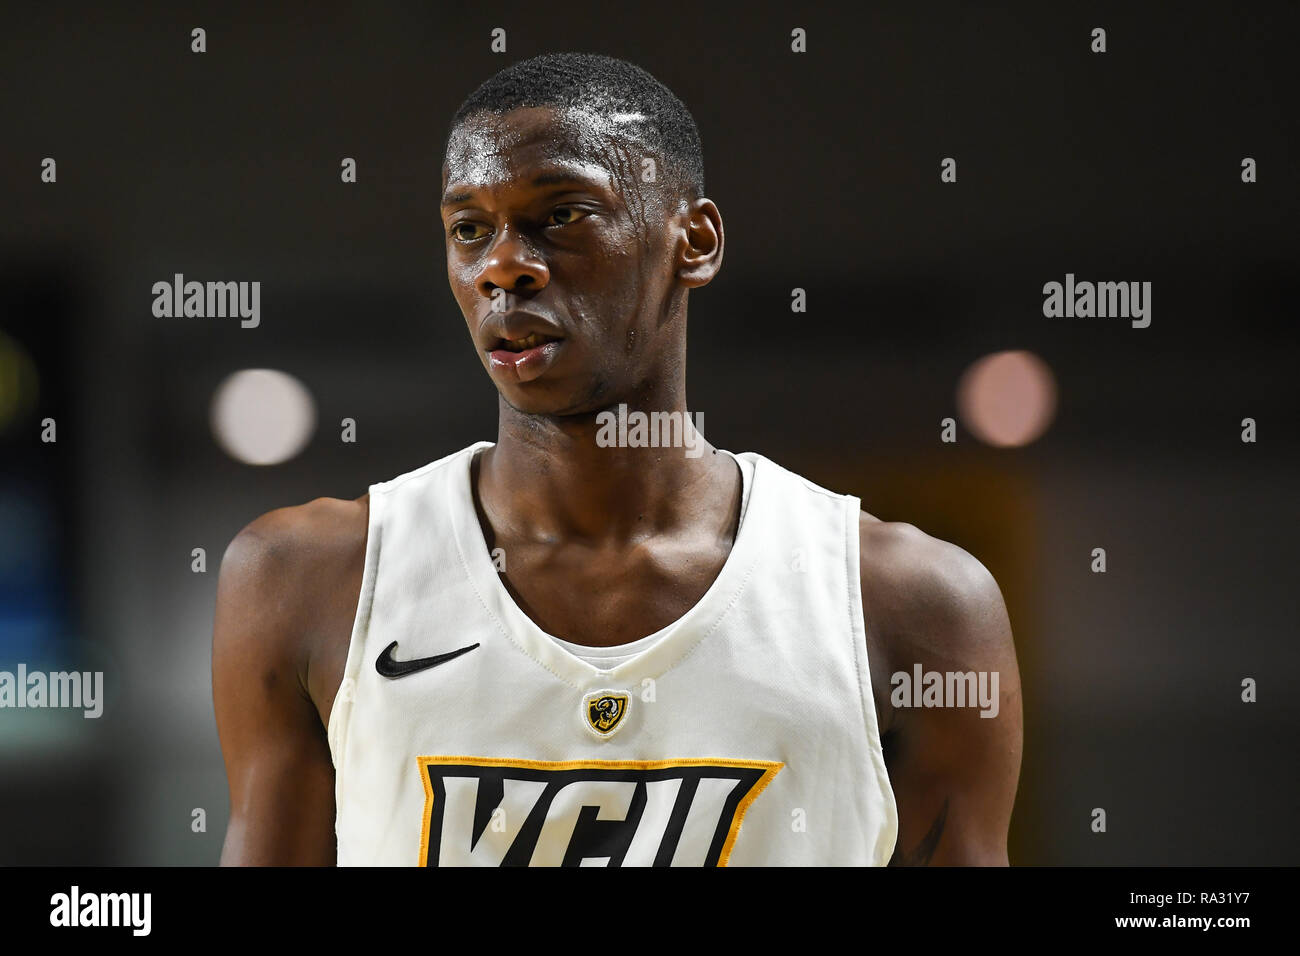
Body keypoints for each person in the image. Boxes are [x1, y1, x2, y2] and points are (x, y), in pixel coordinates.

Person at [213, 52, 1022, 866]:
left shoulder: (910, 605)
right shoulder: (307, 579)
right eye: (470, 230)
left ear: (693, 243)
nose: (503, 265)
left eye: (560, 216)